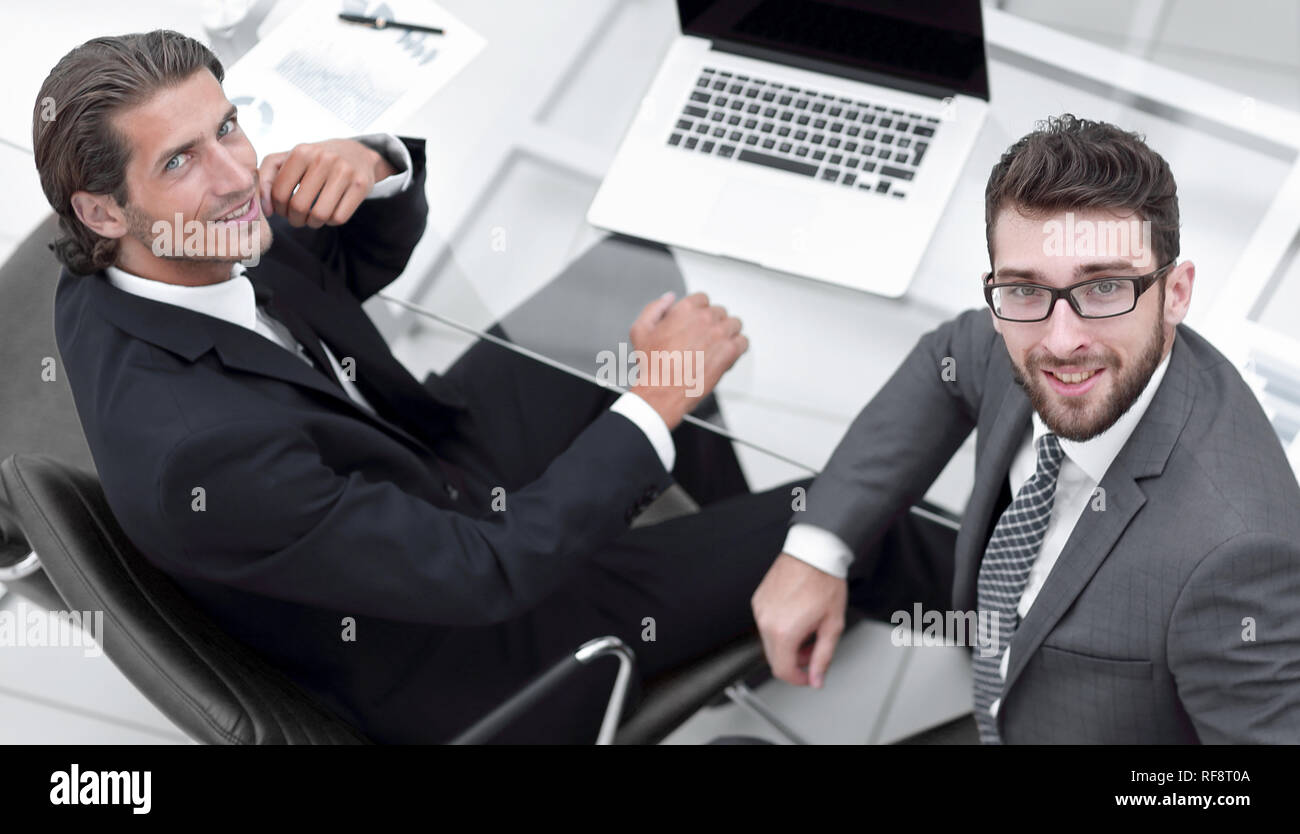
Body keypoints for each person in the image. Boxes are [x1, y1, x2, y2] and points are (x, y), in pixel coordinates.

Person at [35, 30, 798, 744]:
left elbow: (344, 269)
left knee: (626, 276)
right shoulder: (204, 456)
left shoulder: (146, 257)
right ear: (100, 209)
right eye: (179, 160)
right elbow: (488, 570)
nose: (238, 178)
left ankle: (761, 589)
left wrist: (373, 163)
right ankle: (804, 566)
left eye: (228, 127)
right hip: (481, 646)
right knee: (861, 527)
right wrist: (659, 401)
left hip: (421, 460)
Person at [752, 114, 1300, 743]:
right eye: (1024, 290)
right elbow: (946, 361)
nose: (1061, 342)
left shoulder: (1239, 556)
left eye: (1103, 288)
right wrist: (817, 550)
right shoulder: (1009, 335)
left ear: (1175, 293)